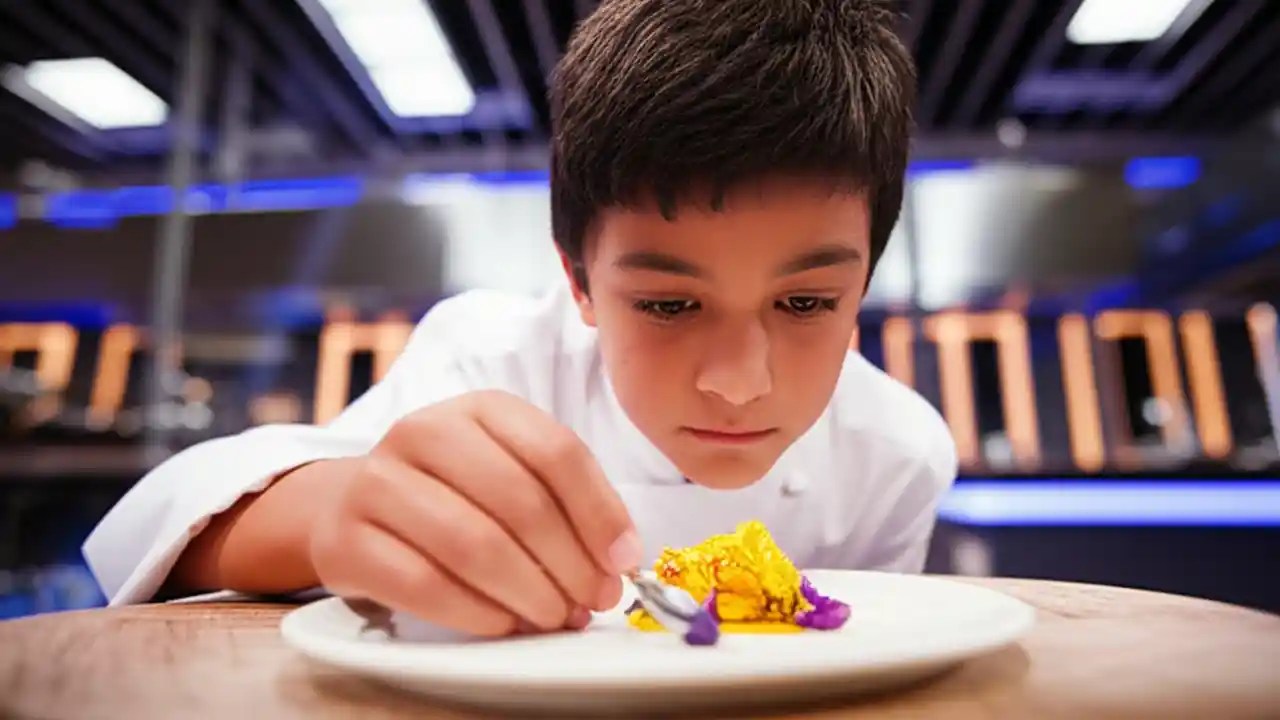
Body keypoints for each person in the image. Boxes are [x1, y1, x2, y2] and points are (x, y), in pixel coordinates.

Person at [84, 0, 956, 637]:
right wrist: (338, 511)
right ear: (579, 280)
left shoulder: (897, 455)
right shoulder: (491, 359)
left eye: (805, 303)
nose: (738, 382)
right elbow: (166, 526)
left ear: (863, 285)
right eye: (668, 304)